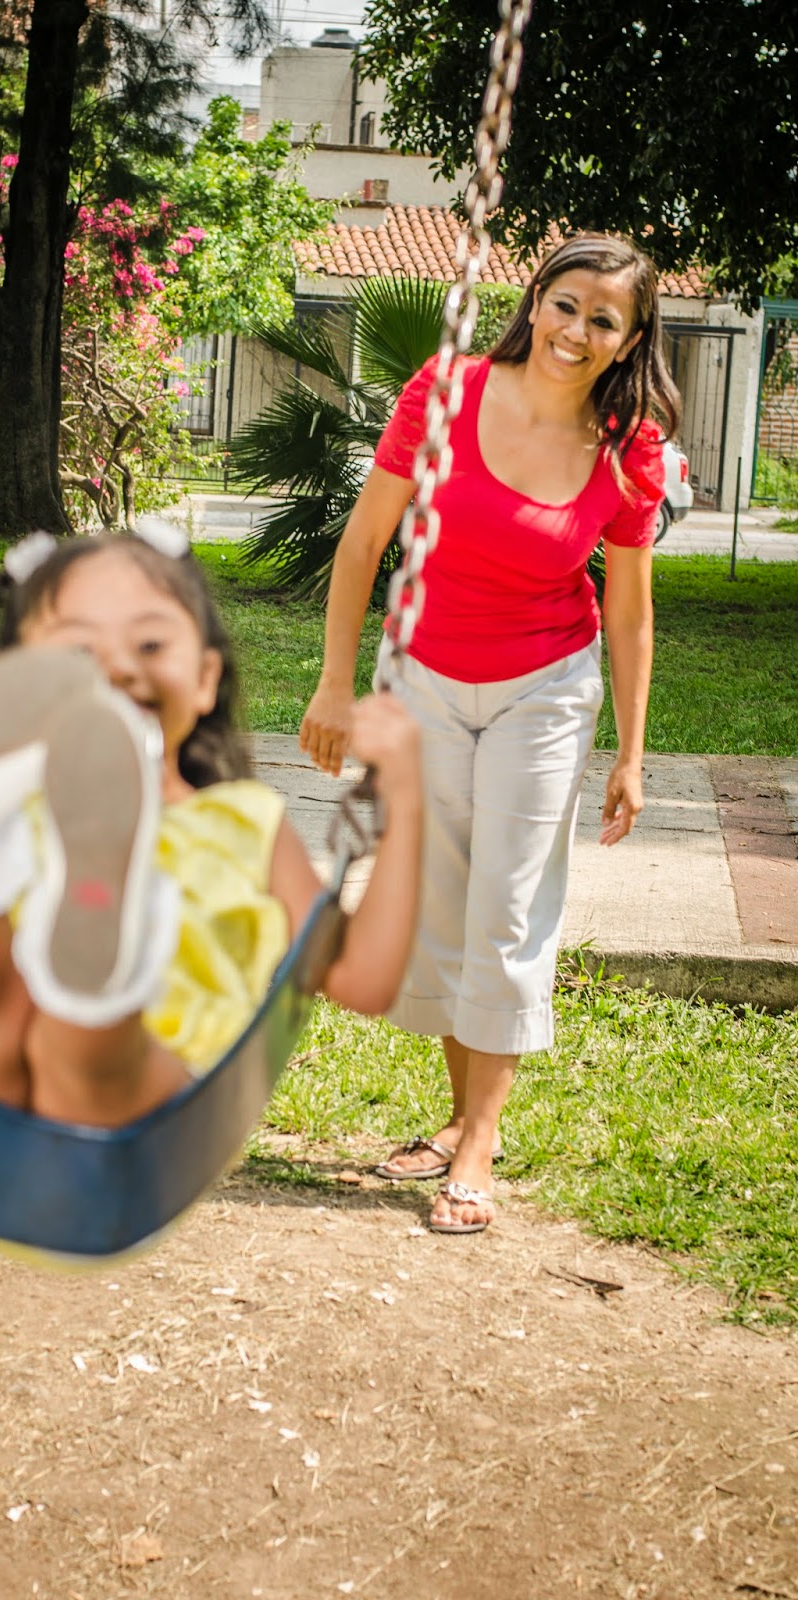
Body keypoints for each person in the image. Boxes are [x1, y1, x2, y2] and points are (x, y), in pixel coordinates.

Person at [0, 530, 423, 1142]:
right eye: (76, 656)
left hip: (148, 1112)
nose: (116, 667)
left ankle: (90, 964)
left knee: (78, 1046)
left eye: (149, 645)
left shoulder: (243, 824)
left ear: (205, 679)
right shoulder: (6, 805)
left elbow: (360, 979)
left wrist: (406, 794)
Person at [300, 232, 680, 1236]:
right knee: (445, 897)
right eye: (567, 304)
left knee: (506, 904)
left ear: (630, 337)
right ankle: (461, 1116)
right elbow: (364, 540)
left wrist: (633, 754)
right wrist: (337, 684)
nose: (577, 329)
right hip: (422, 674)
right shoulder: (449, 389)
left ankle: (477, 1144)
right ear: (537, 300)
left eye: (605, 318)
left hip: (543, 689)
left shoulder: (628, 443)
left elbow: (630, 611)